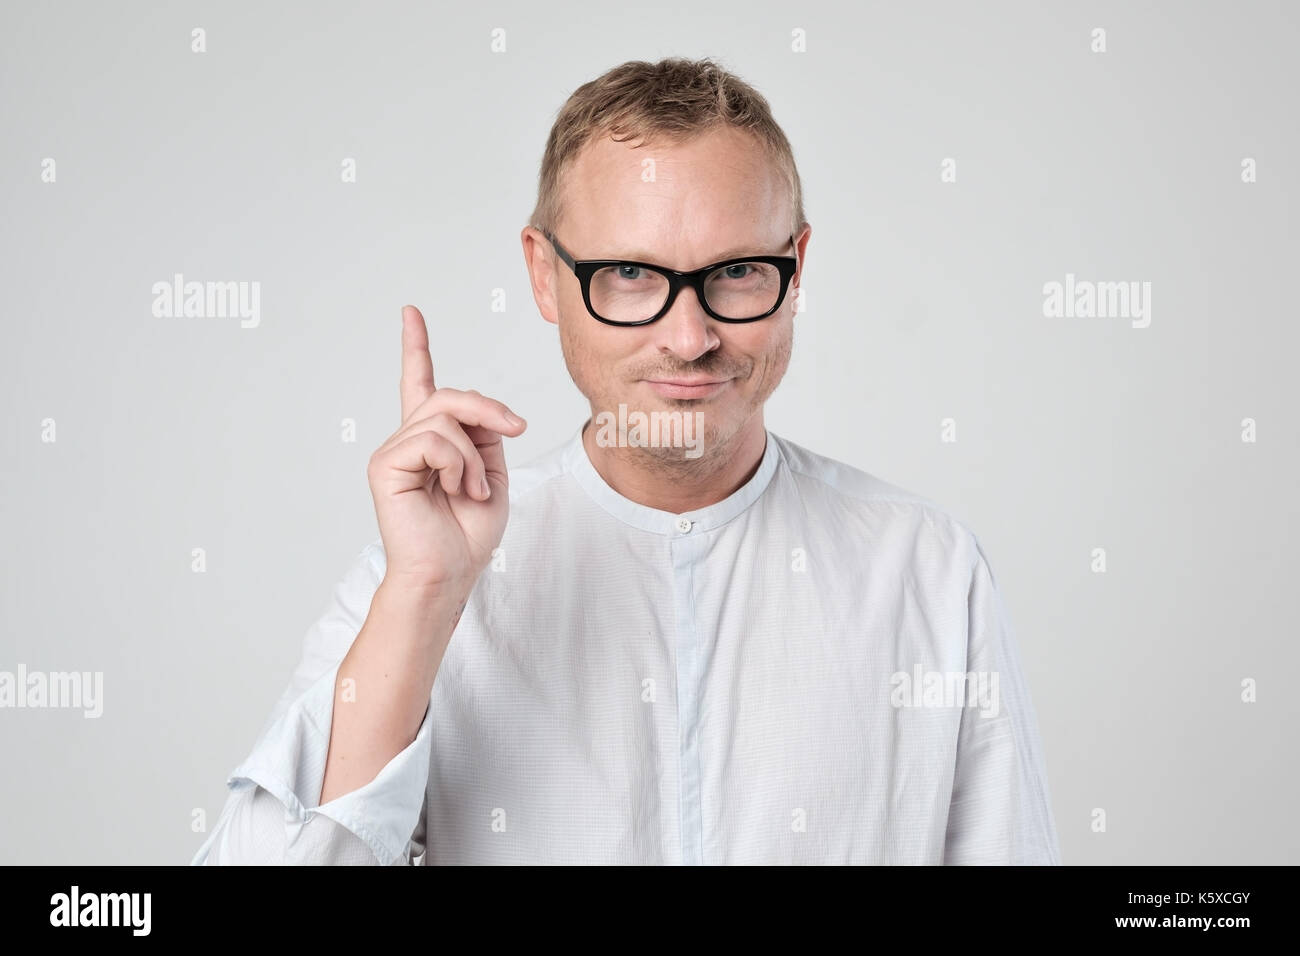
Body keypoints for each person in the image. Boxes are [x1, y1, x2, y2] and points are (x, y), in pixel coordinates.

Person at [191, 56, 1061, 865]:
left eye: (738, 273)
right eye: (632, 277)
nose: (690, 338)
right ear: (544, 276)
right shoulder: (422, 576)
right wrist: (423, 600)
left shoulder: (931, 574)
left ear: (795, 270)